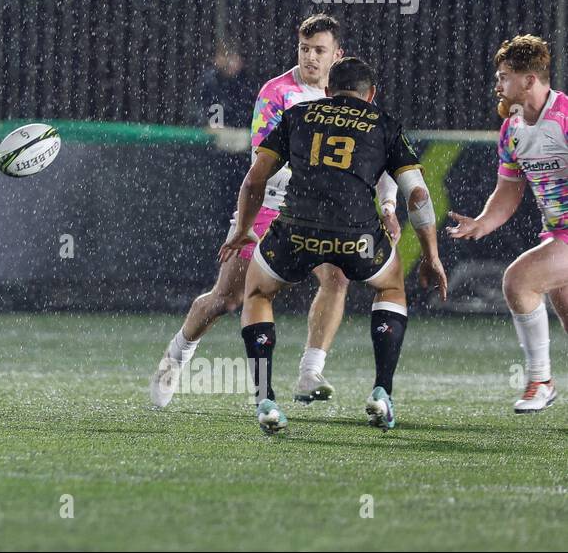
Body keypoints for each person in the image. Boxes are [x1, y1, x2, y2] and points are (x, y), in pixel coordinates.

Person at [152, 14, 401, 408]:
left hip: (323, 213)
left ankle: (309, 372)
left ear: (337, 54)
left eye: (319, 50)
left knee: (337, 277)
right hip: (271, 208)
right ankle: (175, 357)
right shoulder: (277, 93)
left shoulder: (350, 95)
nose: (311, 58)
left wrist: (387, 204)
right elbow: (262, 162)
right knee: (226, 299)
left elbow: (382, 156)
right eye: (305, 49)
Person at [218, 57, 448, 434]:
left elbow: (254, 180)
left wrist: (242, 229)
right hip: (356, 235)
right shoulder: (384, 124)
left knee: (258, 291)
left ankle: (265, 399)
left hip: (297, 229)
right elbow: (419, 195)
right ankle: (382, 391)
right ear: (371, 95)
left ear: (327, 90)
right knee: (390, 287)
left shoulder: (297, 115)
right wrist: (431, 255)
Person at [448, 34, 568, 413]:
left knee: (518, 281)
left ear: (529, 80)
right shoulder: (512, 129)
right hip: (558, 234)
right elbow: (509, 191)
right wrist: (482, 222)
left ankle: (540, 381)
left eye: (504, 77)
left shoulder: (565, 117)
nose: (497, 85)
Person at [197, 38, 253, 128]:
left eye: (233, 58)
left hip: (238, 130)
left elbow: (247, 111)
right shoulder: (209, 80)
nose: (229, 62)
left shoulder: (244, 82)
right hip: (213, 129)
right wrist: (208, 123)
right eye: (224, 56)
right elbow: (199, 109)